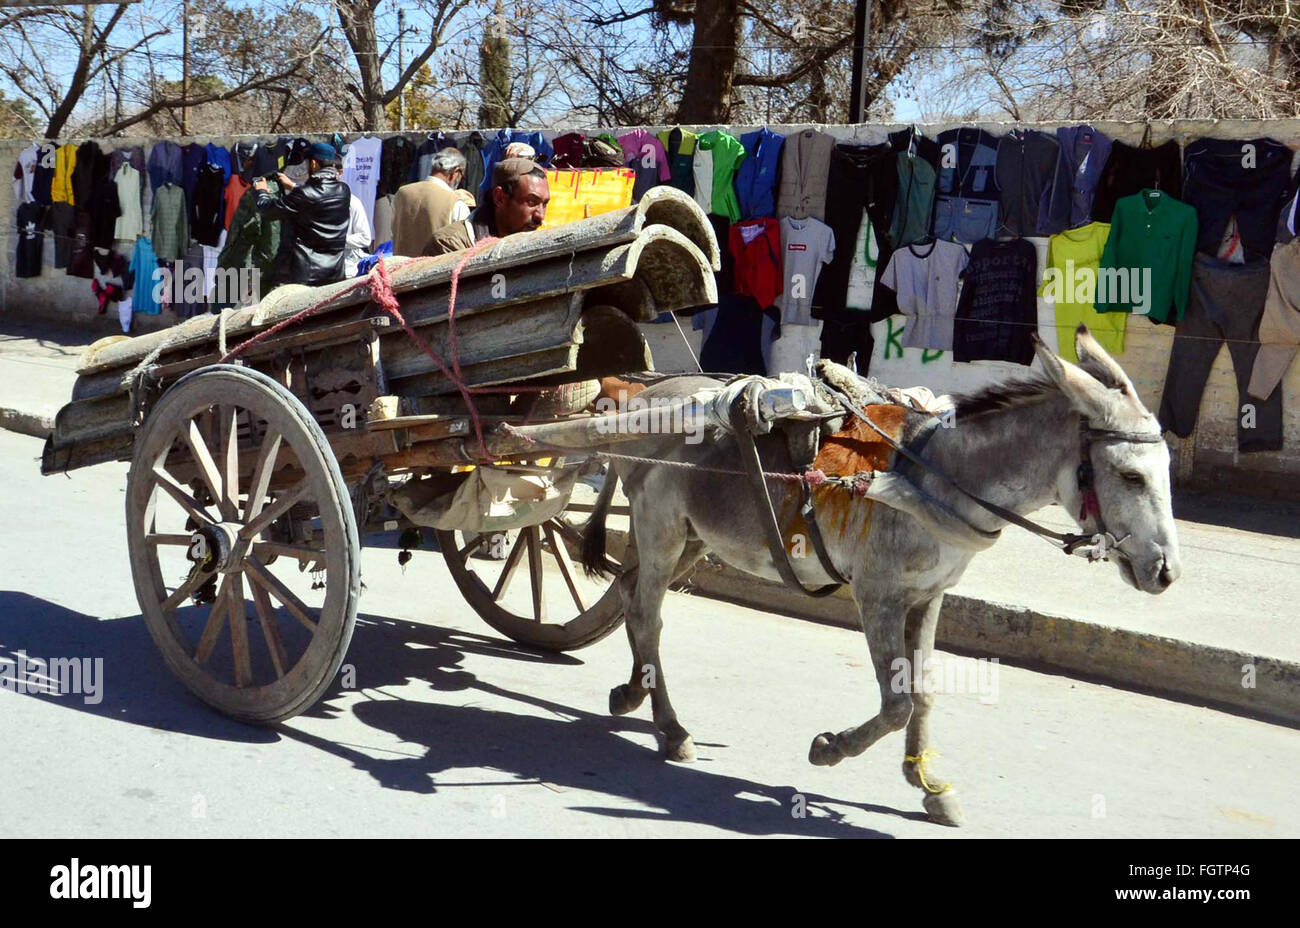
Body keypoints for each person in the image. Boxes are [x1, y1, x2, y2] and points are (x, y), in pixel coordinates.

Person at [252, 140, 351, 286]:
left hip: (307, 273)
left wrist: (262, 191)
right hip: (335, 272)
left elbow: (267, 211)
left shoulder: (304, 195)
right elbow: (317, 200)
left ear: (314, 164)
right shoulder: (344, 190)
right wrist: (293, 187)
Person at [426, 157, 550, 255]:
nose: (540, 216)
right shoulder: (450, 245)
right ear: (500, 198)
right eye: (532, 202)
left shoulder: (533, 243)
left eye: (544, 204)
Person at [391, 148, 475, 257]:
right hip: (437, 271)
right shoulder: (455, 203)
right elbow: (465, 248)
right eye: (461, 176)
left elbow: (392, 234)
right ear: (456, 172)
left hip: (401, 270)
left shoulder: (401, 194)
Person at [344, 193, 373, 277]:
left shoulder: (352, 201)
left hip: (348, 268)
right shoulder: (309, 199)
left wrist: (336, 240)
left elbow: (365, 238)